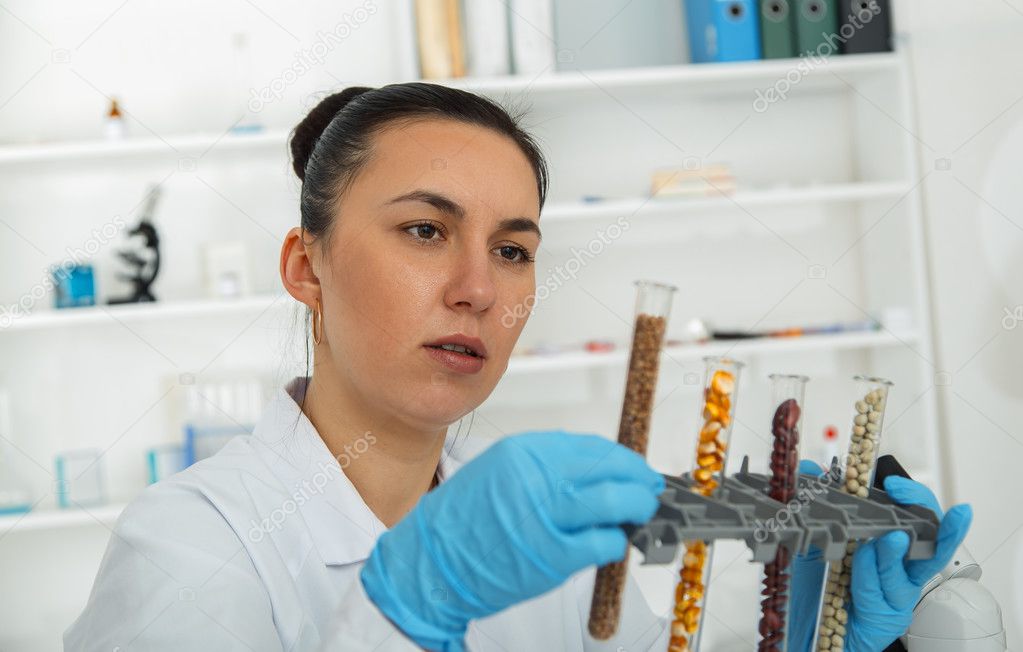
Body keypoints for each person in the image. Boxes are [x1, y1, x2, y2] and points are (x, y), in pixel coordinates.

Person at [65, 83, 970, 652]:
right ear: (307, 266)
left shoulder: (556, 545)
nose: (476, 289)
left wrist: (806, 635)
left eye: (512, 249)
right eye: (425, 231)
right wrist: (403, 611)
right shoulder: (187, 546)